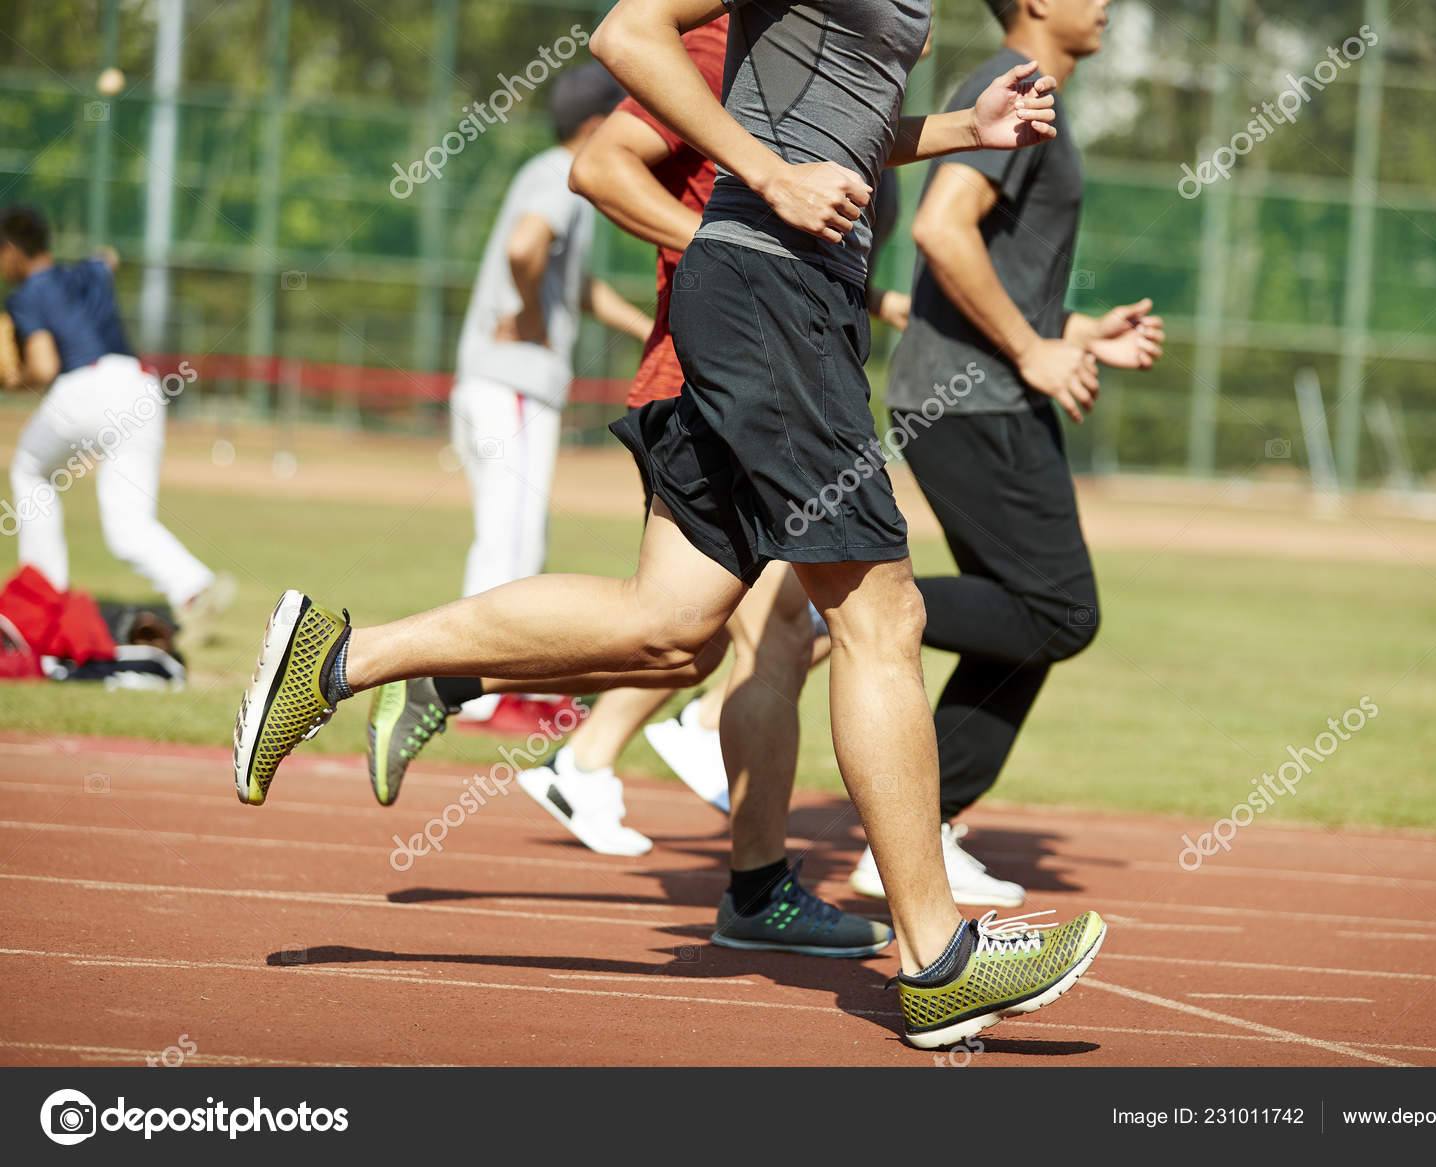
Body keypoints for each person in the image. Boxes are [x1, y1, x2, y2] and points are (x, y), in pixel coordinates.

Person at [234, 0, 1105, 1050]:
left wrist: (964, 133)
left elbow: (841, 132)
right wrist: (769, 177)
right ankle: (937, 961)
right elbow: (626, 34)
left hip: (793, 301)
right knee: (882, 614)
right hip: (766, 292)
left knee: (670, 626)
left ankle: (340, 658)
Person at [365, 15, 892, 963]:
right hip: (721, 366)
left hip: (773, 362)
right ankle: (751, 878)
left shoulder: (828, 55)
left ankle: (457, 680)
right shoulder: (725, 36)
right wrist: (739, 257)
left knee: (682, 640)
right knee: (780, 629)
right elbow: (603, 165)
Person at [851, 0, 1164, 909]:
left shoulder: (1028, 92)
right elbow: (940, 229)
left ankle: (920, 829)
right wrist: (1031, 351)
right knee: (1060, 611)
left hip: (975, 394)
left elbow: (989, 268)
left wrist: (1074, 331)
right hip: (972, 400)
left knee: (1031, 622)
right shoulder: (1011, 86)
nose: (1105, 1)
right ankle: (853, 604)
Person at [447, 63, 654, 733]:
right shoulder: (563, 173)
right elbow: (523, 247)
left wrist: (651, 326)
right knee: (510, 537)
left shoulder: (552, 170)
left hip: (503, 379)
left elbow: (577, 285)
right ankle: (479, 687)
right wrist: (529, 312)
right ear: (596, 127)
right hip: (510, 378)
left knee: (511, 534)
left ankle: (484, 682)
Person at [2, 206, 226, 629]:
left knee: (29, 470)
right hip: (140, 389)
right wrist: (101, 260)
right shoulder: (90, 271)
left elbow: (45, 367)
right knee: (127, 526)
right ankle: (193, 586)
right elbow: (108, 257)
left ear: (12, 249)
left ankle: (44, 593)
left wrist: (12, 379)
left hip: (85, 389)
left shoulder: (28, 294)